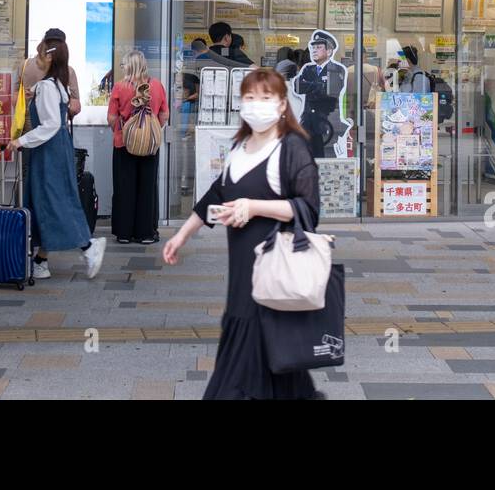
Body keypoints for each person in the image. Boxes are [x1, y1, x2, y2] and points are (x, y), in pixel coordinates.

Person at [164, 68, 323, 400]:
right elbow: (215, 196)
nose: (257, 105)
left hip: (275, 277)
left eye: (266, 98)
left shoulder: (292, 148)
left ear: (282, 105)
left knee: (249, 375)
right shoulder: (240, 146)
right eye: (250, 98)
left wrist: (254, 207)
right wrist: (183, 235)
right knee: (276, 374)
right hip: (242, 281)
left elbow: (308, 210)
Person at [13, 39, 106, 280]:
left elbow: (51, 124)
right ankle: (41, 260)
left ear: (50, 58)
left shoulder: (47, 87)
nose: (36, 59)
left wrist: (20, 141)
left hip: (48, 152)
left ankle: (88, 246)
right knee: (47, 200)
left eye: (40, 55)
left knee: (51, 201)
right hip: (57, 150)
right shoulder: (56, 84)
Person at [107, 50, 170, 245]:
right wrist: (149, 131)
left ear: (129, 66)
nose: (123, 67)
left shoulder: (120, 87)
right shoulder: (157, 85)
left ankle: (124, 233)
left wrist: (124, 130)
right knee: (147, 187)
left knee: (124, 187)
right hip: (149, 145)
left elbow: (111, 117)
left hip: (123, 144)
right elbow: (165, 115)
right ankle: (146, 233)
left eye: (124, 64)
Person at [292, 30, 350, 158]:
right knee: (306, 156)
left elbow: (329, 93)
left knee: (326, 159)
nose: (314, 50)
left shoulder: (337, 69)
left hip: (326, 121)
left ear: (329, 51)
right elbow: (297, 87)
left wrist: (310, 85)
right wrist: (318, 86)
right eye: (313, 47)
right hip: (307, 121)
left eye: (318, 47)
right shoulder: (308, 68)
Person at [18, 28, 81, 121]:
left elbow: (15, 99)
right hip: (55, 129)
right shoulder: (68, 71)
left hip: (28, 126)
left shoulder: (24, 65)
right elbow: (74, 108)